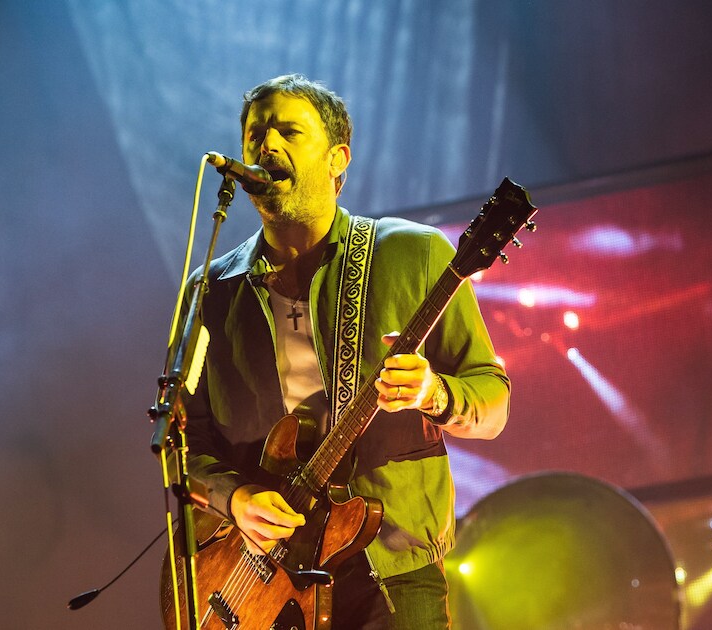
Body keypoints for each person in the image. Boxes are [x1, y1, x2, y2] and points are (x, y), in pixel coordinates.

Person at [181, 73, 509, 628]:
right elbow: (183, 444)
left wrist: (433, 392)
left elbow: (493, 401)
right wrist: (234, 500)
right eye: (256, 134)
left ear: (338, 159)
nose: (267, 145)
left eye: (289, 131)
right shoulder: (211, 291)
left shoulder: (414, 254)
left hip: (393, 566)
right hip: (263, 579)